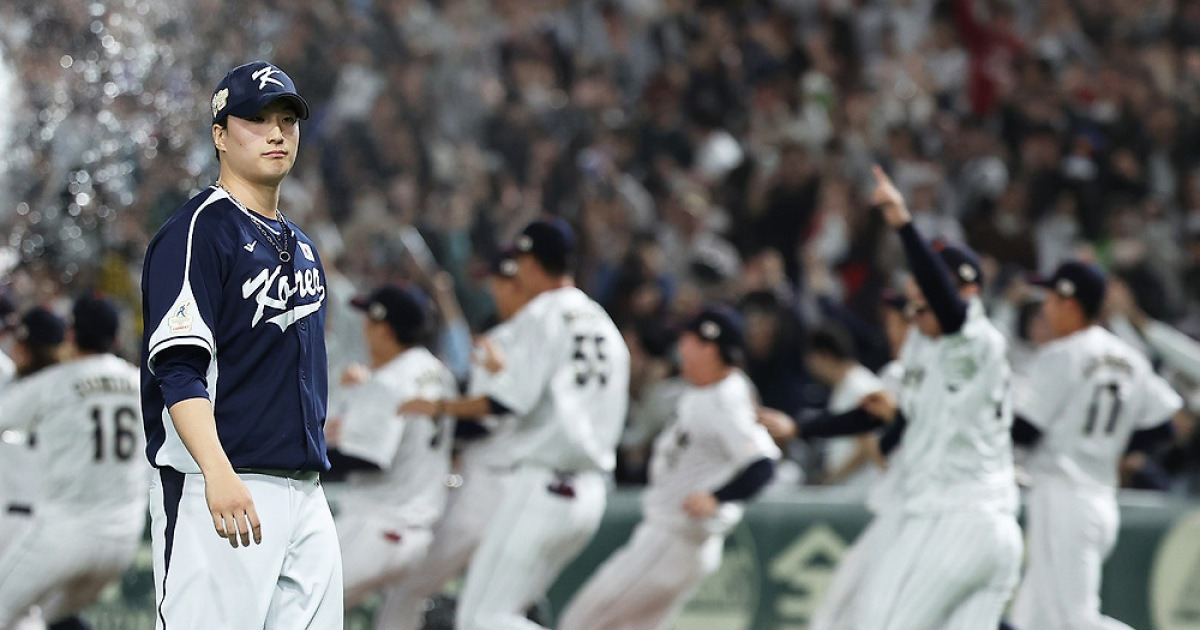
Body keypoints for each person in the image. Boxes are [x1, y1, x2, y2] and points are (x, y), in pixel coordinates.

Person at [140, 60, 342, 628]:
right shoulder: (198, 230)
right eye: (256, 119)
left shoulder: (301, 244)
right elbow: (176, 369)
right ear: (220, 136)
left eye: (286, 119)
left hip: (305, 491)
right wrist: (218, 472)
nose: (276, 132)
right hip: (222, 484)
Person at [399, 218, 630, 630]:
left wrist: (438, 408)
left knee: (481, 618)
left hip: (545, 482)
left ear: (533, 263)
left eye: (521, 260)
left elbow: (501, 403)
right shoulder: (604, 324)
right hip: (591, 492)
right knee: (505, 613)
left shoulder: (541, 314)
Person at [853, 165, 1022, 629]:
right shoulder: (930, 352)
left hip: (956, 519)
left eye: (929, 291)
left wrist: (904, 224)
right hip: (991, 524)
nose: (917, 299)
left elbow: (950, 312)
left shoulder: (974, 337)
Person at [557, 305, 779, 630]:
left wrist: (718, 497)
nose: (680, 349)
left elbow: (763, 464)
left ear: (710, 347)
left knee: (579, 623)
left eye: (687, 341)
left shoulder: (723, 399)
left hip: (672, 540)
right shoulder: (710, 390)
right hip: (677, 541)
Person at [1009, 261, 1182, 630]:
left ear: (1070, 303)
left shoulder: (1063, 353)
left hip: (1063, 495)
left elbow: (1025, 430)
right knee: (1029, 619)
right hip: (1100, 497)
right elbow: (1165, 424)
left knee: (1074, 622)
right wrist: (1114, 445)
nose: (1045, 308)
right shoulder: (1128, 357)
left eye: (1051, 299)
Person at [372, 250, 528, 630]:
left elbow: (486, 419)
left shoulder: (501, 344)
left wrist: (436, 412)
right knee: (481, 605)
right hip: (510, 483)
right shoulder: (524, 343)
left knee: (413, 589)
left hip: (487, 485)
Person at [0, 297, 148, 629]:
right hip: (122, 540)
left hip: (65, 533)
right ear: (115, 339)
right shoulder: (139, 384)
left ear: (70, 335)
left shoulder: (57, 382)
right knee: (42, 621)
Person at [328, 284, 457, 608]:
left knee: (291, 611)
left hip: (376, 524)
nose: (363, 329)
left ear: (384, 329)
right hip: (419, 535)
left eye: (368, 322)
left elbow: (366, 458)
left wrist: (303, 454)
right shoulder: (439, 372)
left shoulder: (389, 380)